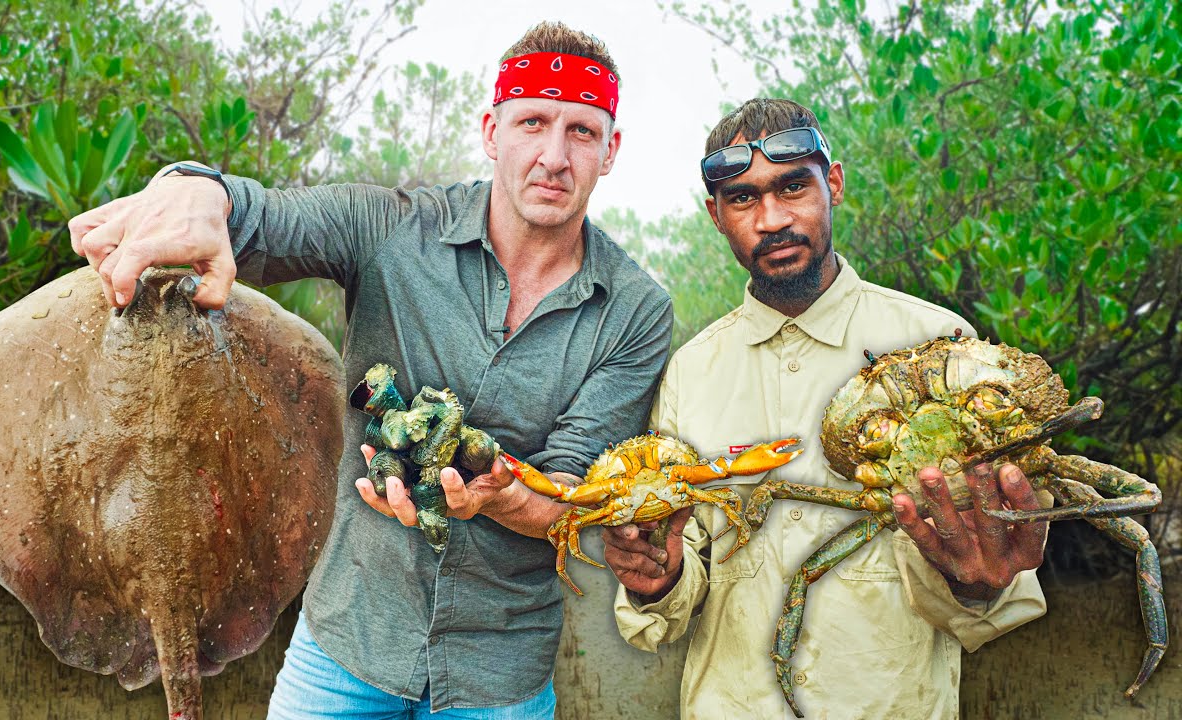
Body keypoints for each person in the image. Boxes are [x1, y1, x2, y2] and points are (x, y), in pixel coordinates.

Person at [68, 22, 672, 719]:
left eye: (582, 132)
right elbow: (263, 216)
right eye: (532, 122)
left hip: (499, 676)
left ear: (611, 150)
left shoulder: (635, 310)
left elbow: (572, 491)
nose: (554, 156)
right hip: (346, 646)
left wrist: (500, 496)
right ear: (491, 131)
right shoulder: (390, 229)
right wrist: (197, 193)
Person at [602, 98, 1048, 718]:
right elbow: (684, 572)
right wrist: (658, 578)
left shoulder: (943, 344)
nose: (772, 219)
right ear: (715, 215)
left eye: (792, 187)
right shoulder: (691, 371)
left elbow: (993, 580)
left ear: (832, 184)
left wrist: (976, 580)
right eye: (742, 198)